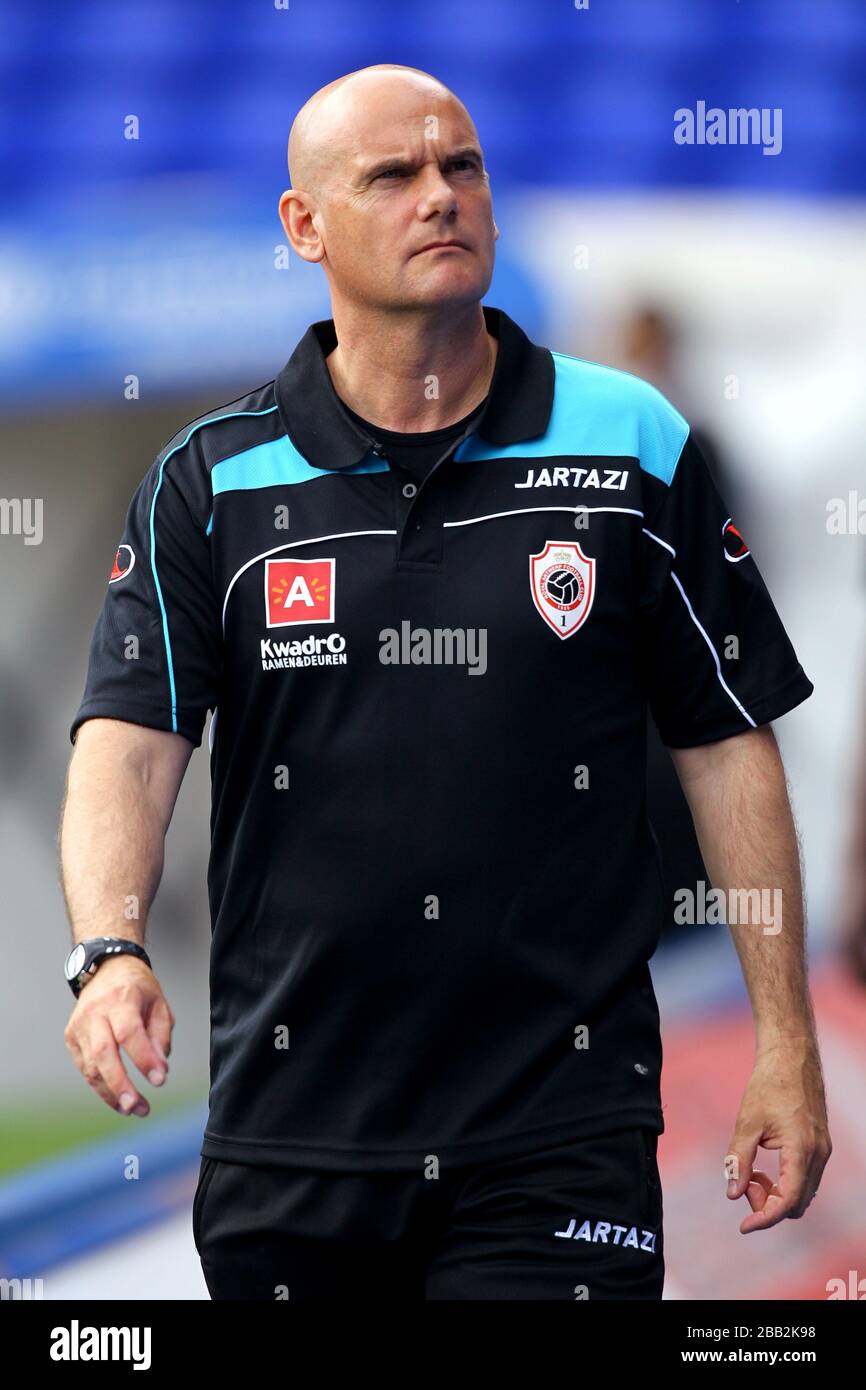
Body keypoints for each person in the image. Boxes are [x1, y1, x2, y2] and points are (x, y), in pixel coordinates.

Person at [60, 64, 831, 1302]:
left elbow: (725, 742)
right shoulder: (207, 482)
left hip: (559, 1135)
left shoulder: (631, 440)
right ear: (302, 226)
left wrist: (785, 1047)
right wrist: (108, 948)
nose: (441, 196)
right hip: (291, 1137)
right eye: (394, 175)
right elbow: (131, 739)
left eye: (461, 166)